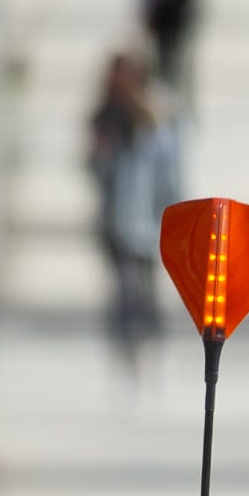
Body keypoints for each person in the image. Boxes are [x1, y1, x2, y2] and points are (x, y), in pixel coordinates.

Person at [88, 52, 181, 383]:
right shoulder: (106, 118)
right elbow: (95, 168)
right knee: (124, 291)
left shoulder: (155, 117)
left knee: (148, 290)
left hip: (149, 221)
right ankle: (128, 354)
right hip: (116, 221)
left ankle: (153, 348)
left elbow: (169, 168)